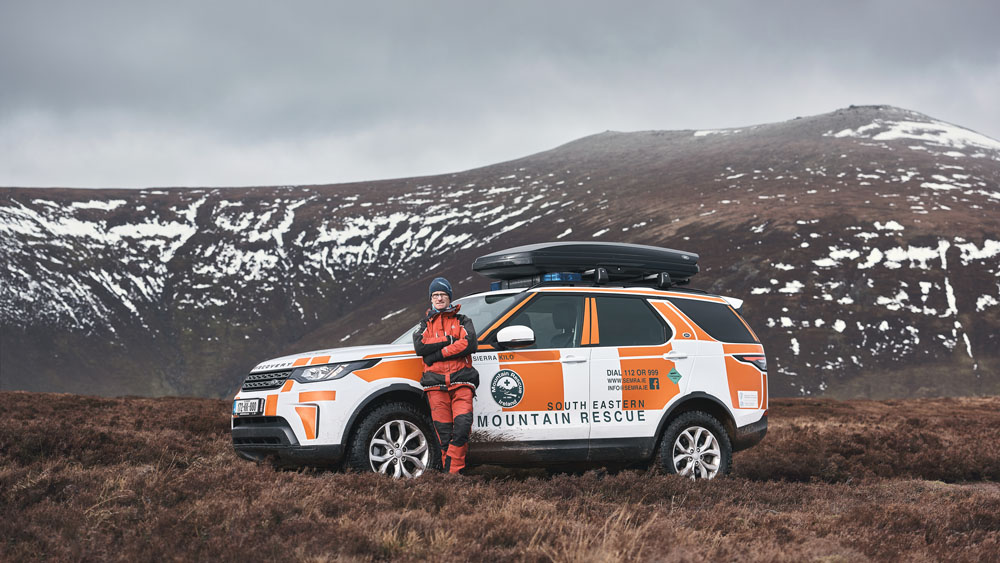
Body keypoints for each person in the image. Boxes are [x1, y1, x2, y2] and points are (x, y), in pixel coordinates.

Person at [412, 277, 479, 474]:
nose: (439, 298)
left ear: (449, 297)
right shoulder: (424, 323)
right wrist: (449, 339)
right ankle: (454, 476)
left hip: (462, 381)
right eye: (435, 295)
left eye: (442, 294)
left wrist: (437, 354)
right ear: (431, 299)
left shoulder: (463, 320)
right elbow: (420, 346)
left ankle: (451, 474)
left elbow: (470, 343)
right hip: (435, 385)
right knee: (444, 434)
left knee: (462, 428)